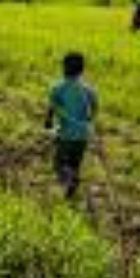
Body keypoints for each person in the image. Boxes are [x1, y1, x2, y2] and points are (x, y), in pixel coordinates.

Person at [45, 52, 99, 200]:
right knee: (75, 163)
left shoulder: (58, 87)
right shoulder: (89, 90)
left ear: (64, 68)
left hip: (66, 135)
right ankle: (71, 191)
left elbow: (52, 106)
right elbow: (94, 110)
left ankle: (70, 178)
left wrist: (48, 121)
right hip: (83, 135)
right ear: (82, 70)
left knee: (58, 164)